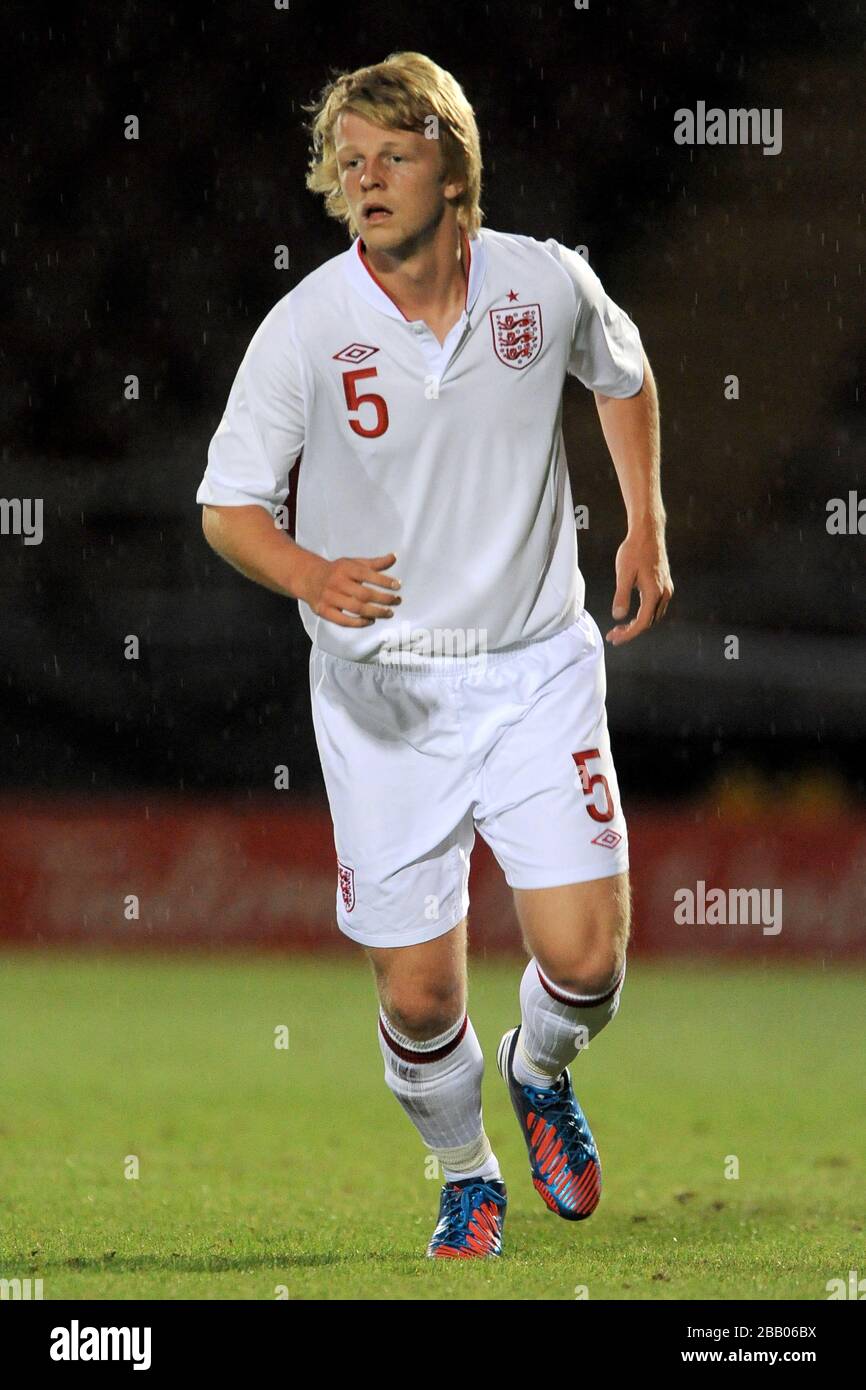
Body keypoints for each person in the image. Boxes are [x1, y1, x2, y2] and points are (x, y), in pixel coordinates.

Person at [197, 50, 673, 1259]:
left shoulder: (542, 283)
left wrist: (645, 522)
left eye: (389, 156)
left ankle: (540, 1070)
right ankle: (465, 1175)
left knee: (586, 959)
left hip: (533, 669)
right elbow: (227, 505)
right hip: (382, 698)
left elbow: (621, 374)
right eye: (346, 162)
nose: (364, 180)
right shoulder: (307, 326)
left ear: (451, 164)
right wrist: (309, 574)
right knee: (418, 996)